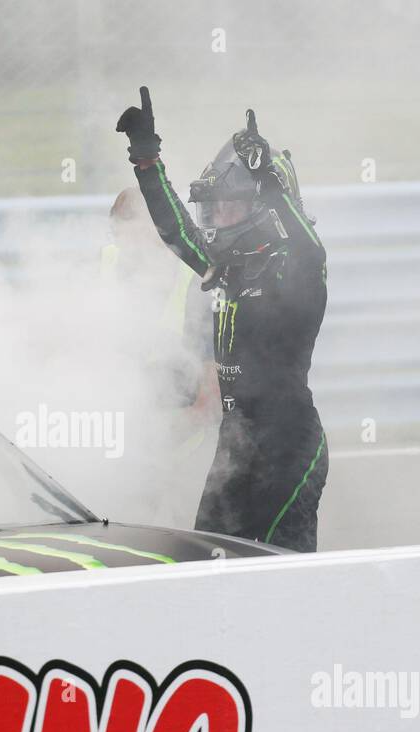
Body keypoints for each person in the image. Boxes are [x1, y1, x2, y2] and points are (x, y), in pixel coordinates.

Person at [115, 86, 329, 552]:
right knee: (204, 566)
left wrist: (269, 179)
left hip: (290, 448)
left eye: (232, 204)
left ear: (266, 206)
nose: (220, 216)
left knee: (279, 578)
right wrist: (148, 163)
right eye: (216, 206)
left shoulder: (299, 266)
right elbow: (176, 232)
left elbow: (308, 242)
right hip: (235, 444)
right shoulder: (223, 269)